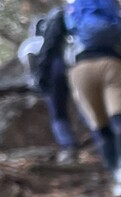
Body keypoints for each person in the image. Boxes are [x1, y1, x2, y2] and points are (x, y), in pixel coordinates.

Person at [36, 0, 121, 196]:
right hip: (114, 64)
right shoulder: (119, 12)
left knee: (100, 127)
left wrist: (43, 79)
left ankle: (117, 179)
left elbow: (49, 47)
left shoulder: (66, 15)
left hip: (80, 71)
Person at [18, 9, 79, 163]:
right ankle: (102, 138)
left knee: (58, 115)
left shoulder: (29, 45)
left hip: (49, 78)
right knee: (82, 106)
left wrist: (36, 84)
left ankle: (69, 148)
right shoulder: (59, 38)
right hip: (68, 70)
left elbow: (30, 67)